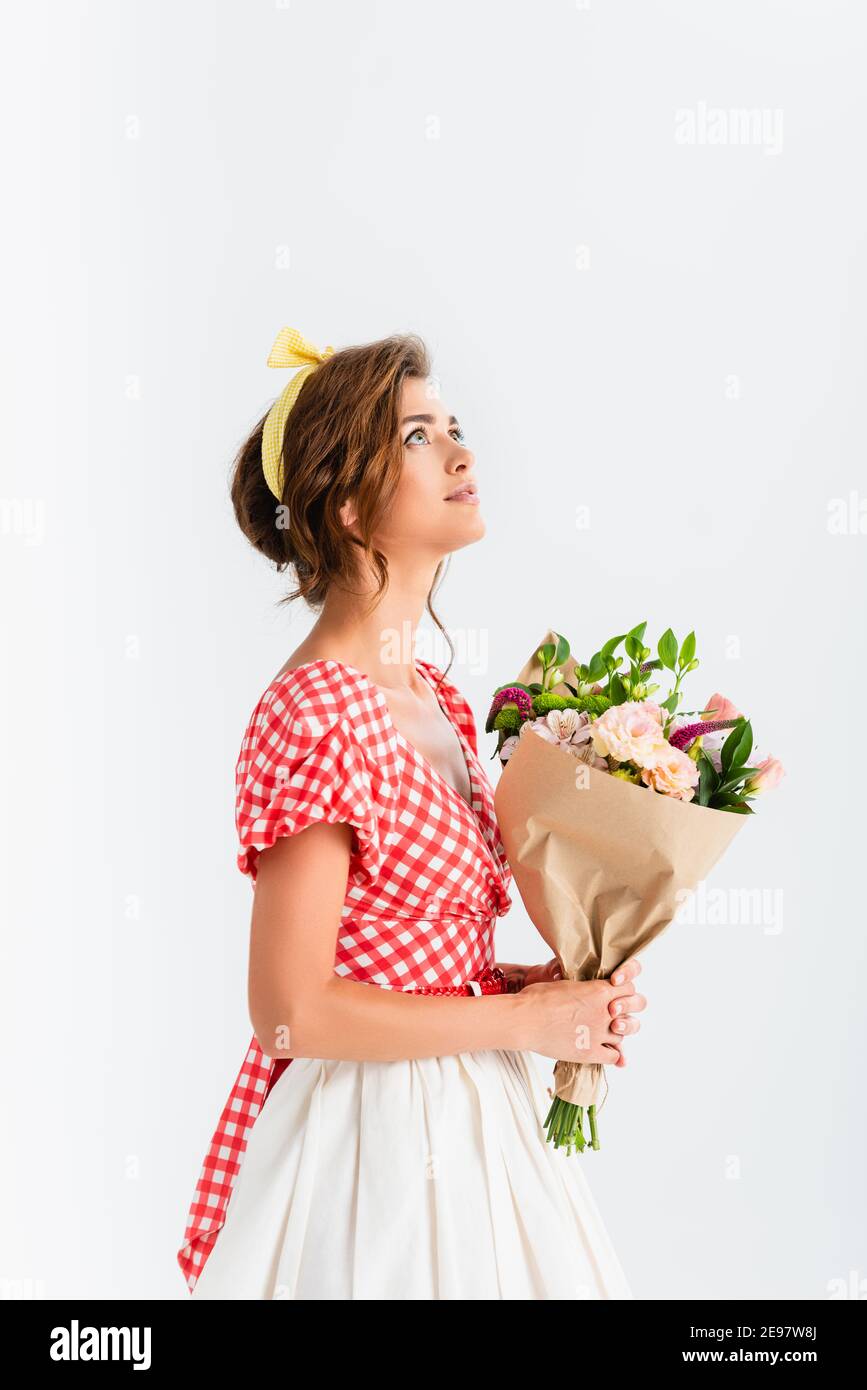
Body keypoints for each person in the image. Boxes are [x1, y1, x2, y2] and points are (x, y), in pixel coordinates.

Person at [177, 327, 645, 1299]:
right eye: (420, 437)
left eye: (455, 427)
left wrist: (552, 993)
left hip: (479, 1119)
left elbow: (420, 957)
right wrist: (523, 1017)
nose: (463, 453)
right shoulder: (318, 711)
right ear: (348, 505)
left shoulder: (435, 695)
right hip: (369, 1152)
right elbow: (293, 1012)